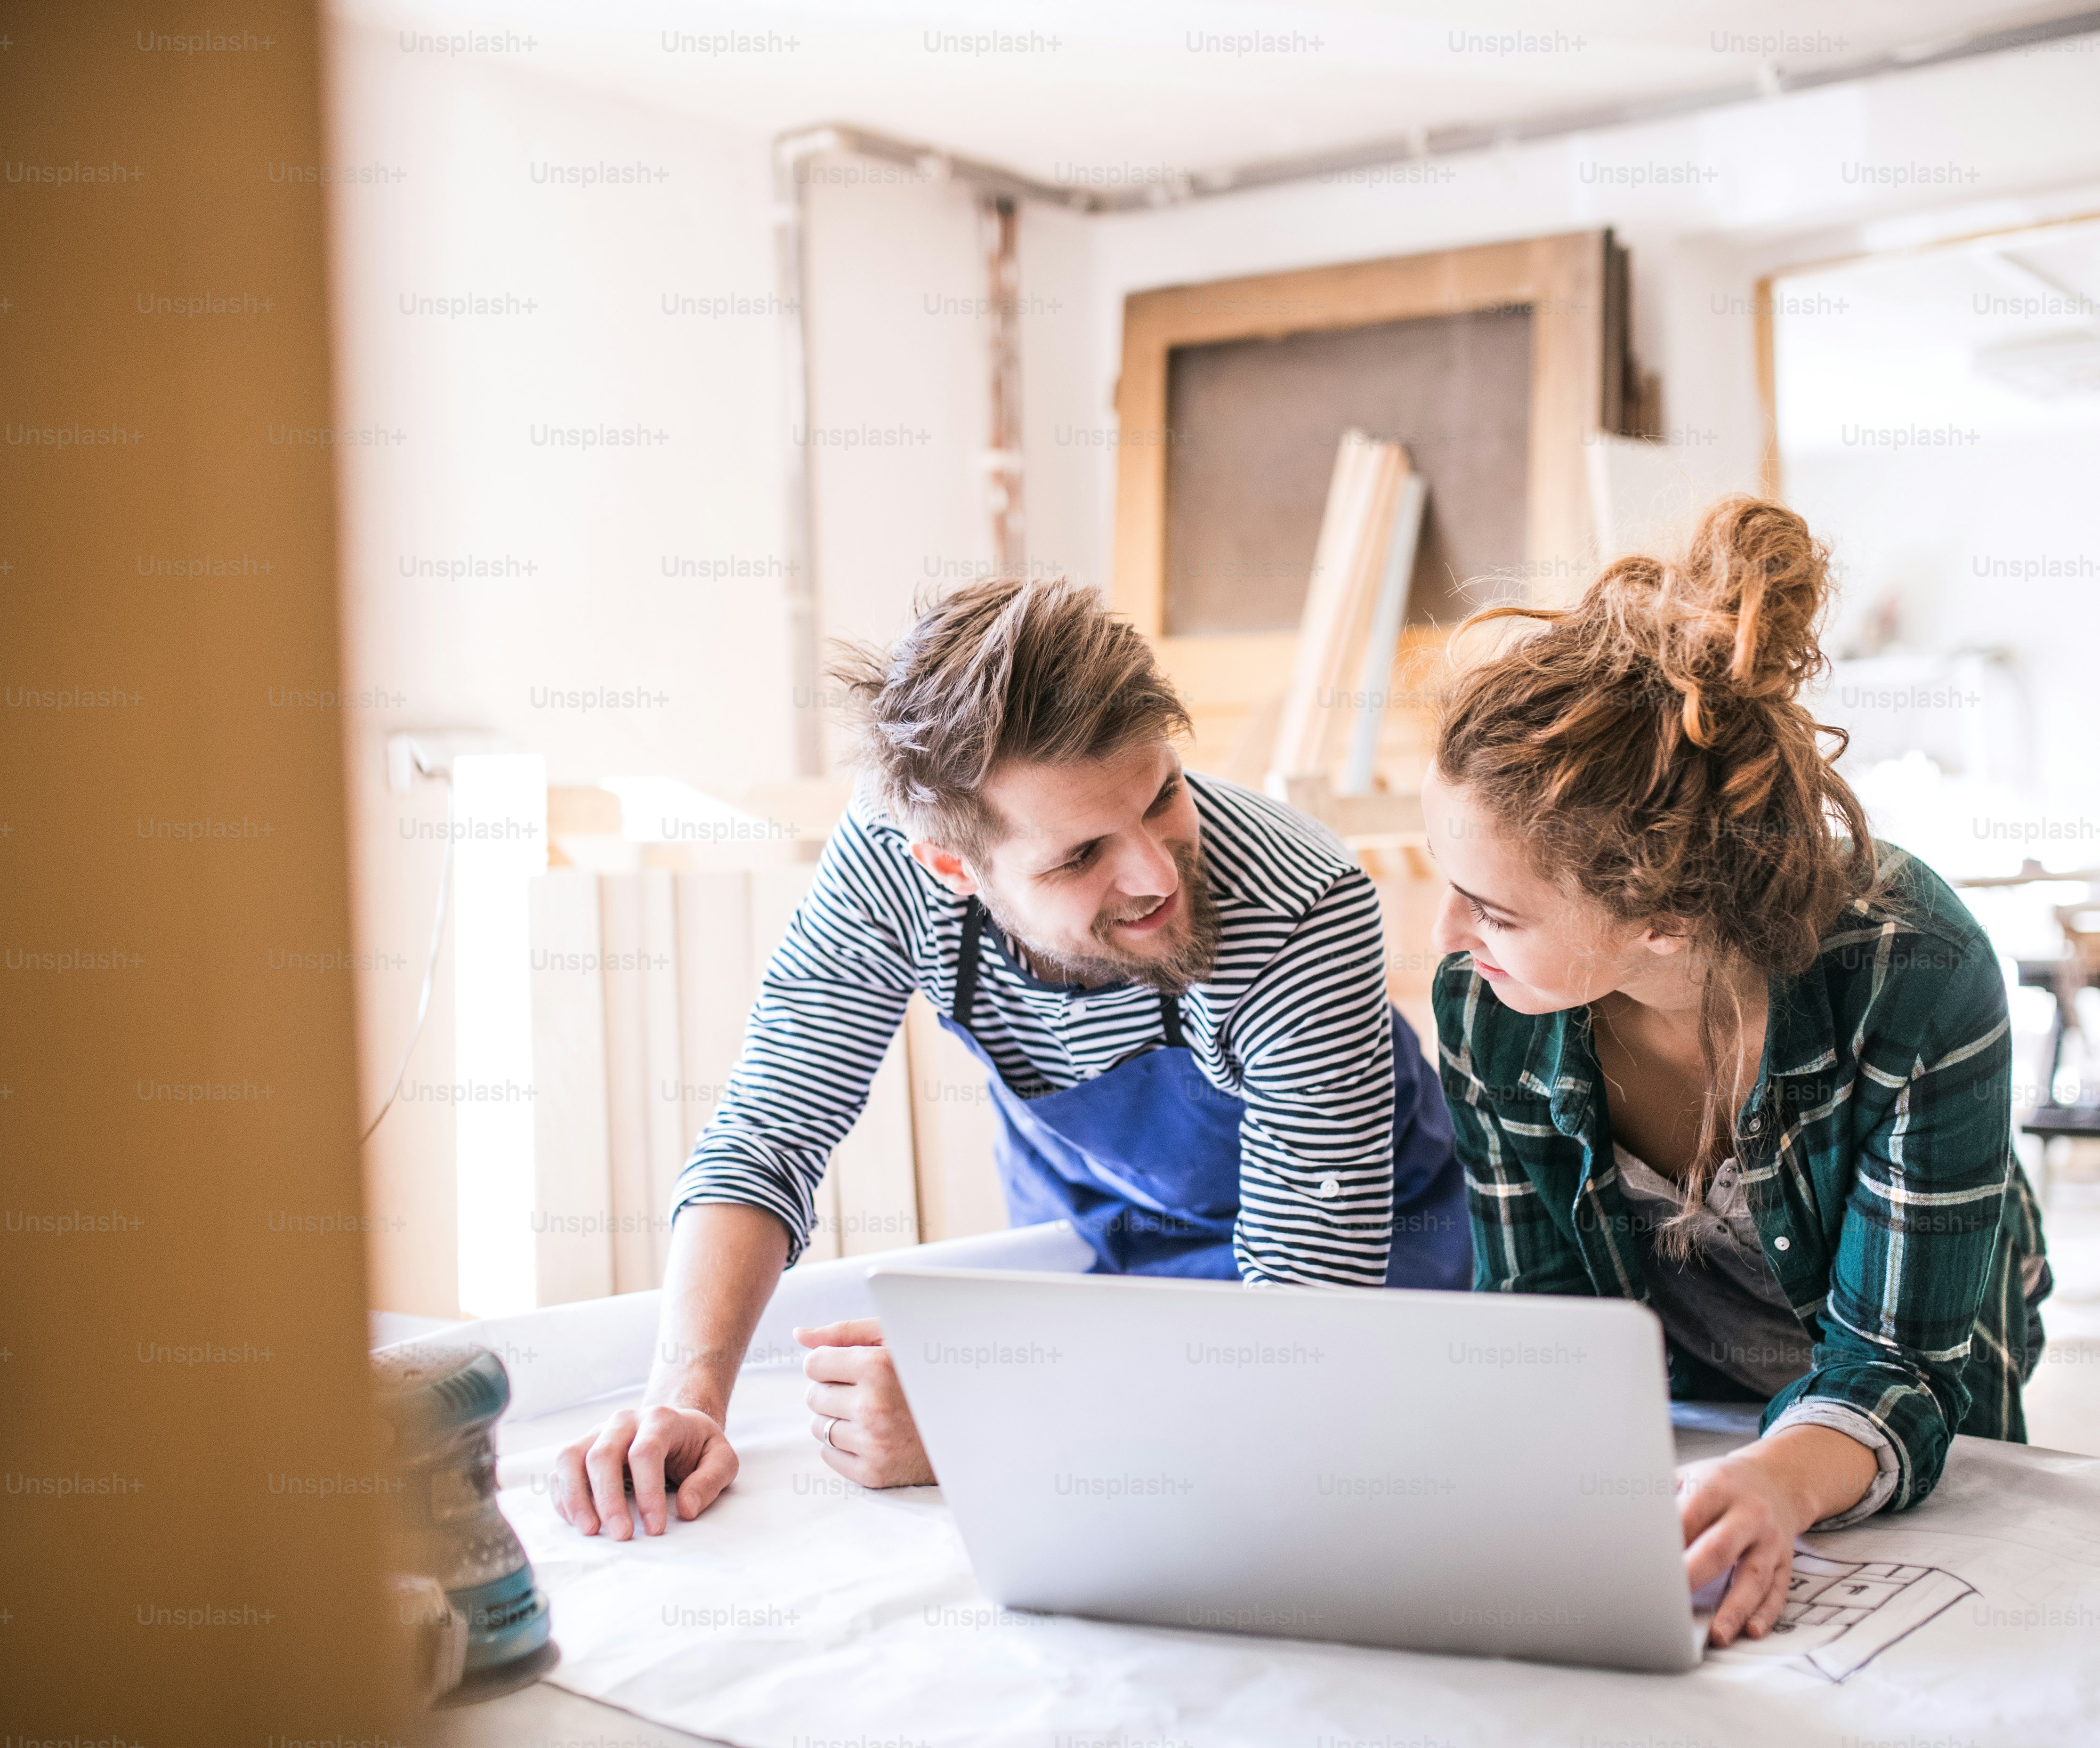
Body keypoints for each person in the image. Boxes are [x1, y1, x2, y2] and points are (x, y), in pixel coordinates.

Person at [555, 576, 1470, 1537]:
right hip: (1097, 1230)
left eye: (1163, 795)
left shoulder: (1305, 906)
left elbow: (1304, 1338)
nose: (1157, 874)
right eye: (1079, 856)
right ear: (953, 870)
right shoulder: (889, 858)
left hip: (1359, 1257)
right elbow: (769, 1128)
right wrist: (689, 1392)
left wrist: (987, 1418)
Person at [1420, 497, 2051, 1650]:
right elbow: (1545, 1325)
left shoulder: (1921, 974)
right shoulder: (1488, 1006)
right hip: (1692, 1409)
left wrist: (1777, 1478)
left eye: (1493, 910)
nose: (1447, 933)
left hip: (1913, 1385)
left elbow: (1903, 1366)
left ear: (1659, 919)